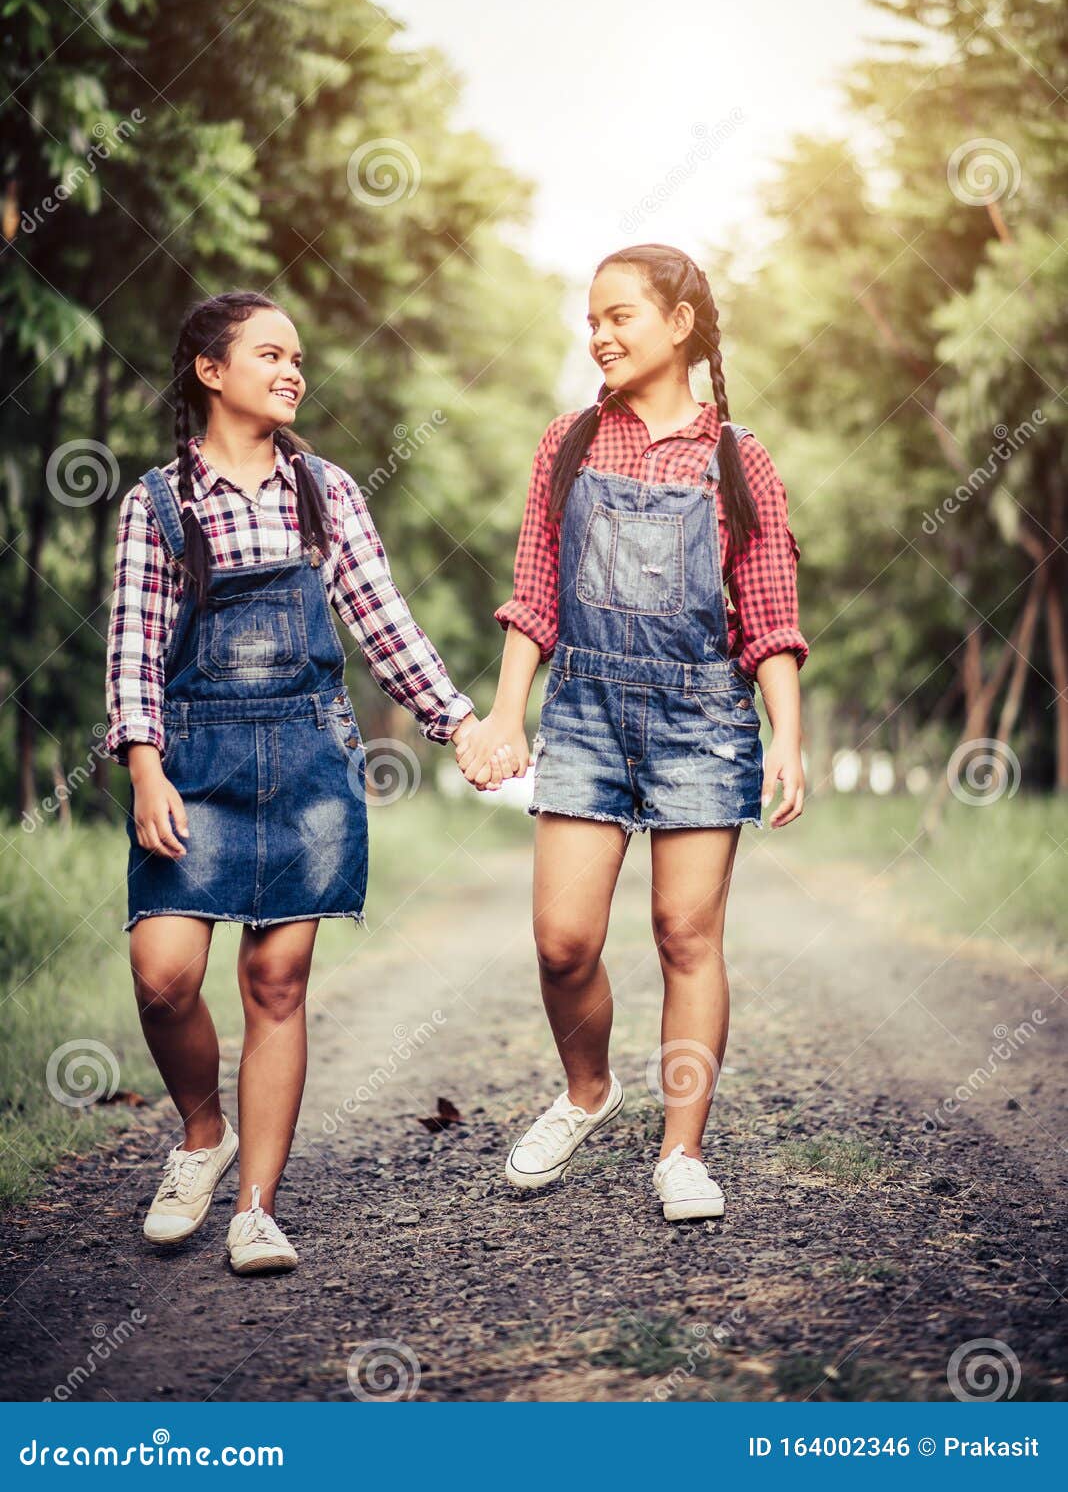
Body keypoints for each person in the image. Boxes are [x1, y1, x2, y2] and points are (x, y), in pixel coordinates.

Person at [105, 290, 491, 1274]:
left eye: (299, 359)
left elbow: (381, 619)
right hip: (194, 762)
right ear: (210, 370)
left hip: (309, 757)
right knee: (164, 977)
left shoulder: (327, 492)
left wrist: (458, 721)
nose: (292, 372)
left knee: (276, 983)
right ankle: (204, 1133)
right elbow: (134, 651)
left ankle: (256, 1208)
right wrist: (144, 766)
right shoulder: (158, 503)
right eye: (271, 354)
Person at [455, 244, 808, 1222]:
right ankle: (587, 1090)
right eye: (592, 320)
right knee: (563, 942)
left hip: (703, 716)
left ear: (680, 324)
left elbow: (768, 612)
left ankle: (682, 1152)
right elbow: (534, 593)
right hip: (587, 711)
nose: (600, 336)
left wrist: (785, 733)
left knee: (686, 935)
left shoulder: (738, 458)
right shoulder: (567, 443)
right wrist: (506, 713)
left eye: (620, 316)